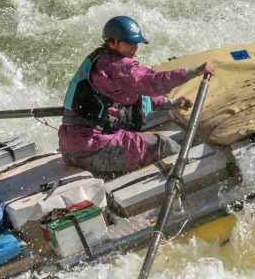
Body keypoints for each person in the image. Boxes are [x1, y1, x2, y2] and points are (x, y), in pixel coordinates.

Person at [59, 15, 215, 178]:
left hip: (72, 147)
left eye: (136, 43)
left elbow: (139, 98)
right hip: (92, 148)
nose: (134, 48)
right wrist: (195, 71)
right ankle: (198, 176)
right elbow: (152, 82)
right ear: (112, 42)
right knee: (163, 146)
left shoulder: (101, 61)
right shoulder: (118, 67)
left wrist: (172, 103)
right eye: (129, 43)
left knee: (136, 132)